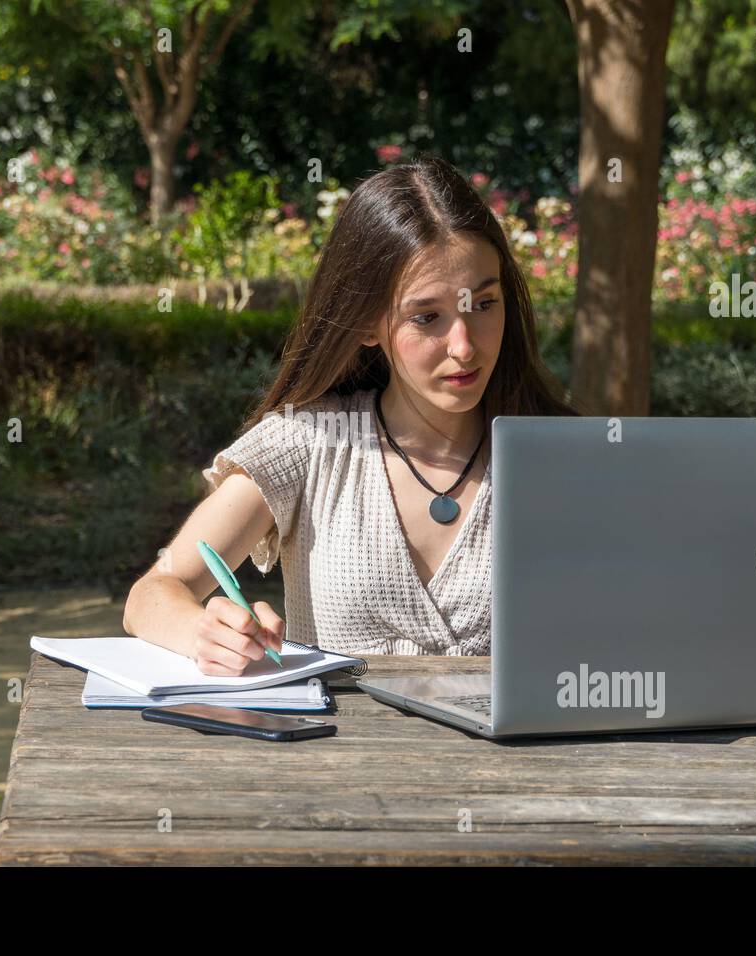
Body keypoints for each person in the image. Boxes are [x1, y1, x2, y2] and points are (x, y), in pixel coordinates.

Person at [122, 155, 577, 674]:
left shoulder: (562, 458)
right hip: (333, 756)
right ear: (367, 323)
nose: (464, 346)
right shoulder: (305, 443)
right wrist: (203, 632)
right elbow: (154, 591)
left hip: (515, 758)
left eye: (484, 304)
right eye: (427, 317)